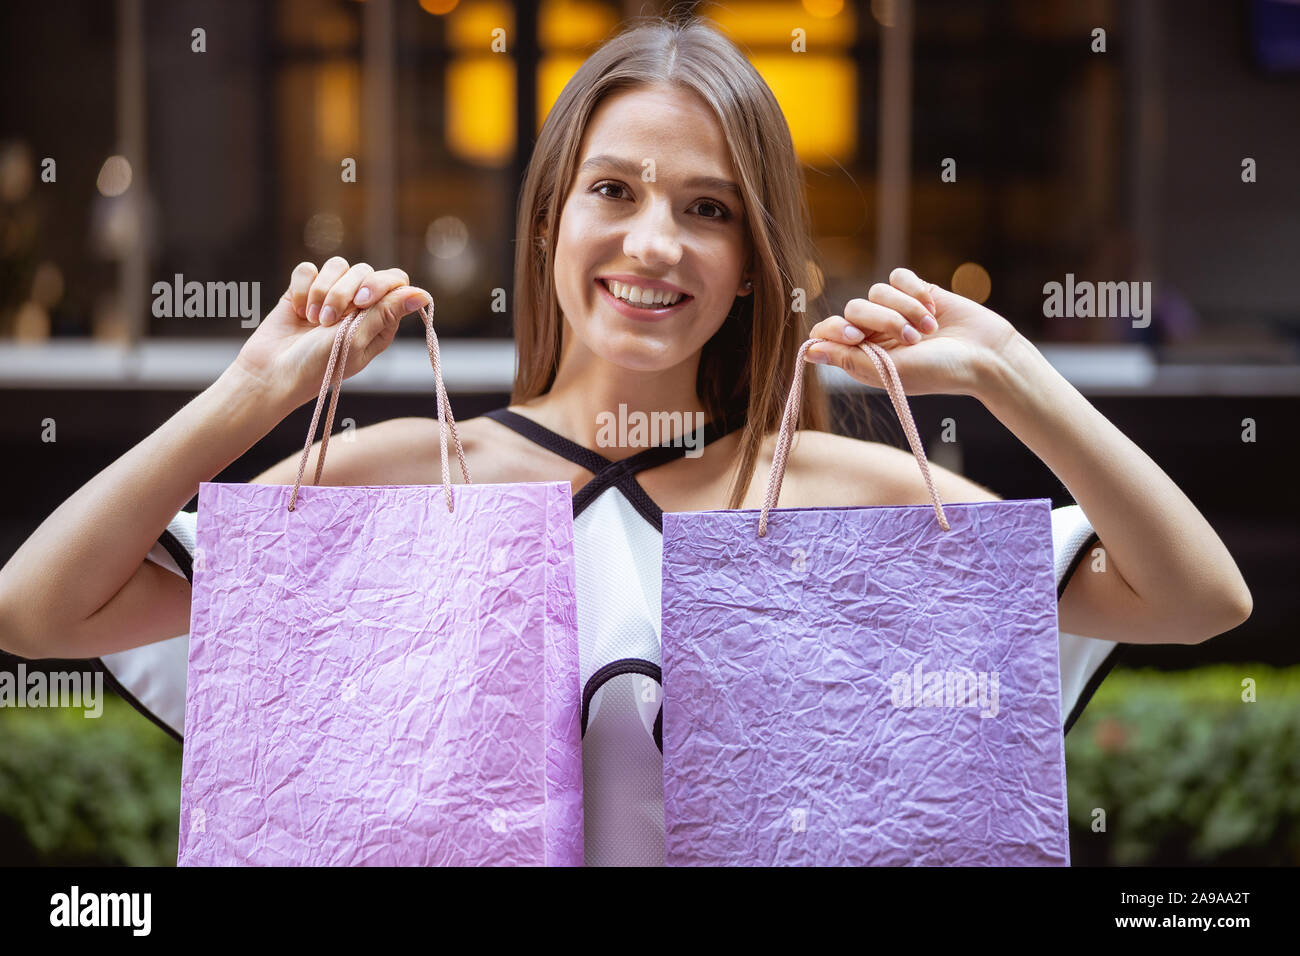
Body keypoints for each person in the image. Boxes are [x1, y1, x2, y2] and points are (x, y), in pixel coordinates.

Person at [0, 17, 1252, 866]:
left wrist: (1013, 377)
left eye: (707, 208)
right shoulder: (401, 477)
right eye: (614, 189)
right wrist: (246, 395)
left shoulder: (847, 493)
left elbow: (1196, 595)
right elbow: (40, 610)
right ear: (549, 218)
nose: (655, 241)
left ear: (757, 264)